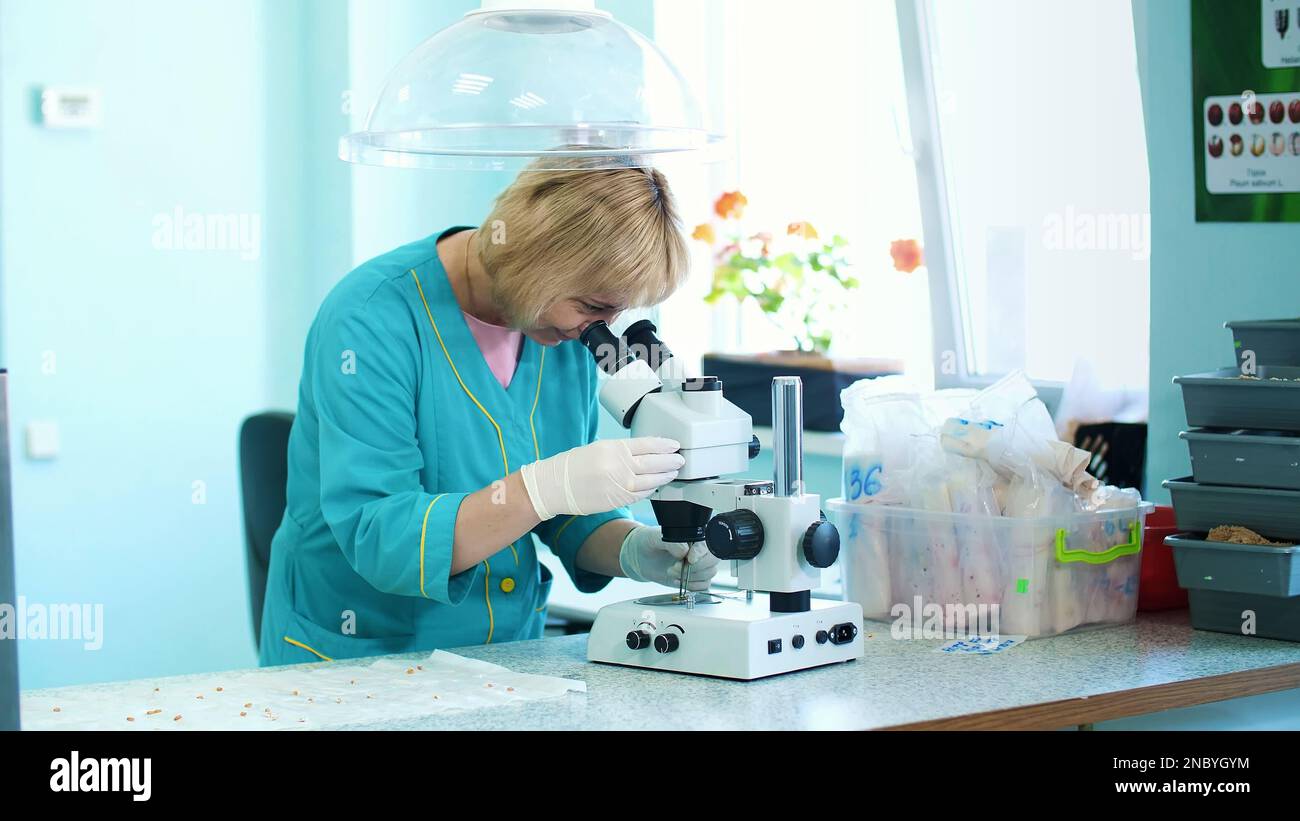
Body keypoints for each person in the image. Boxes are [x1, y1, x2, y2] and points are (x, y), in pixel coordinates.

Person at [258, 158, 719, 665]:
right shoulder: (369, 319)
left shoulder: (561, 330)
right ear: (536, 260)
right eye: (594, 307)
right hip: (361, 655)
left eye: (616, 312)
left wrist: (636, 549)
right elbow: (383, 537)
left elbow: (566, 513)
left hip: (507, 656)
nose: (602, 330)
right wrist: (543, 486)